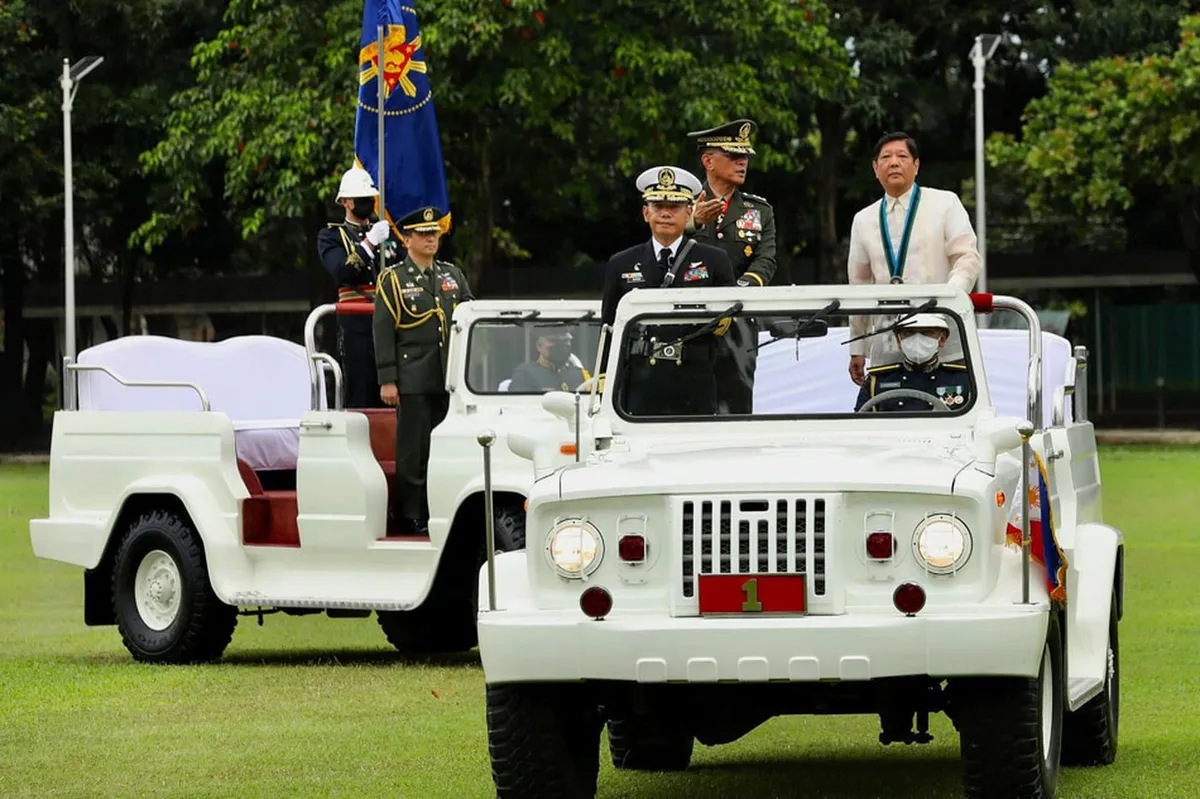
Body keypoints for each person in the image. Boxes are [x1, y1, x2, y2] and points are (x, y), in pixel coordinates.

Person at [846, 131, 982, 387]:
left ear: (916, 165)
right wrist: (857, 346)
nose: (894, 162)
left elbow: (967, 257)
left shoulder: (945, 203)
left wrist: (947, 299)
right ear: (875, 168)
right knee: (888, 414)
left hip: (942, 334)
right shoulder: (863, 219)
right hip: (888, 341)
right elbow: (859, 286)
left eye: (902, 156)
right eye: (885, 157)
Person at [601, 165, 735, 416]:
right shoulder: (621, 263)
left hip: (694, 379)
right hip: (640, 382)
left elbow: (729, 324)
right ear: (645, 213)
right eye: (657, 206)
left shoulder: (714, 260)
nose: (664, 213)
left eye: (673, 207)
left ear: (689, 213)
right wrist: (605, 380)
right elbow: (608, 325)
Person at [373, 205, 473, 536]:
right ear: (407, 240)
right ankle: (410, 512)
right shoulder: (394, 279)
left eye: (434, 234)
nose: (431, 239)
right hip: (413, 377)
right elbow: (384, 330)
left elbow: (470, 318)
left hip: (448, 378)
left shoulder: (451, 274)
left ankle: (439, 508)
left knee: (445, 448)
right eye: (423, 234)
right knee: (414, 450)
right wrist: (388, 379)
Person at [686, 118, 777, 414]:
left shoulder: (758, 209)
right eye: (734, 157)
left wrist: (737, 292)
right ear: (708, 161)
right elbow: (662, 250)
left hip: (738, 321)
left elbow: (766, 259)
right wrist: (692, 223)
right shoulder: (683, 203)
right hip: (688, 316)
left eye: (745, 157)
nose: (743, 163)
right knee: (686, 404)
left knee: (736, 405)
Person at [317, 166, 398, 408]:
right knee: (362, 392)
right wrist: (369, 242)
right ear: (345, 202)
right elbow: (343, 271)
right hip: (357, 326)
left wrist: (382, 237)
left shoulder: (387, 233)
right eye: (361, 199)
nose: (367, 203)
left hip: (390, 320)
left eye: (370, 199)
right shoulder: (331, 236)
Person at [854, 314, 970, 412]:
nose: (917, 339)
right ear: (899, 340)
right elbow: (858, 425)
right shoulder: (877, 381)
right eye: (909, 332)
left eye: (927, 332)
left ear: (942, 339)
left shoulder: (963, 379)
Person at [509, 331, 587, 392]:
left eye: (565, 341)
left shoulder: (580, 374)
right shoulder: (524, 375)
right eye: (554, 341)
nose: (560, 346)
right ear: (539, 346)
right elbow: (520, 407)